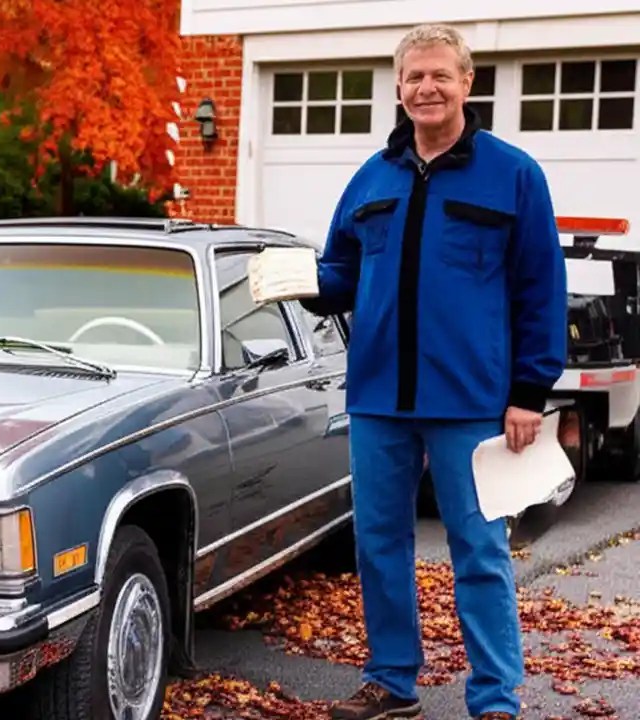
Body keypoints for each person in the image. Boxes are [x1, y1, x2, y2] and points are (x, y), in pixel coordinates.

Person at [298, 24, 567, 720]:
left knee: (479, 549)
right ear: (398, 87)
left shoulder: (513, 175)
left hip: (471, 400)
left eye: (441, 75)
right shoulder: (372, 177)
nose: (427, 88)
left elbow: (540, 286)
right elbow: (341, 271)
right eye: (414, 76)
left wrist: (529, 390)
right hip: (379, 399)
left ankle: (496, 698)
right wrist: (299, 282)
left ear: (467, 83)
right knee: (378, 544)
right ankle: (392, 681)